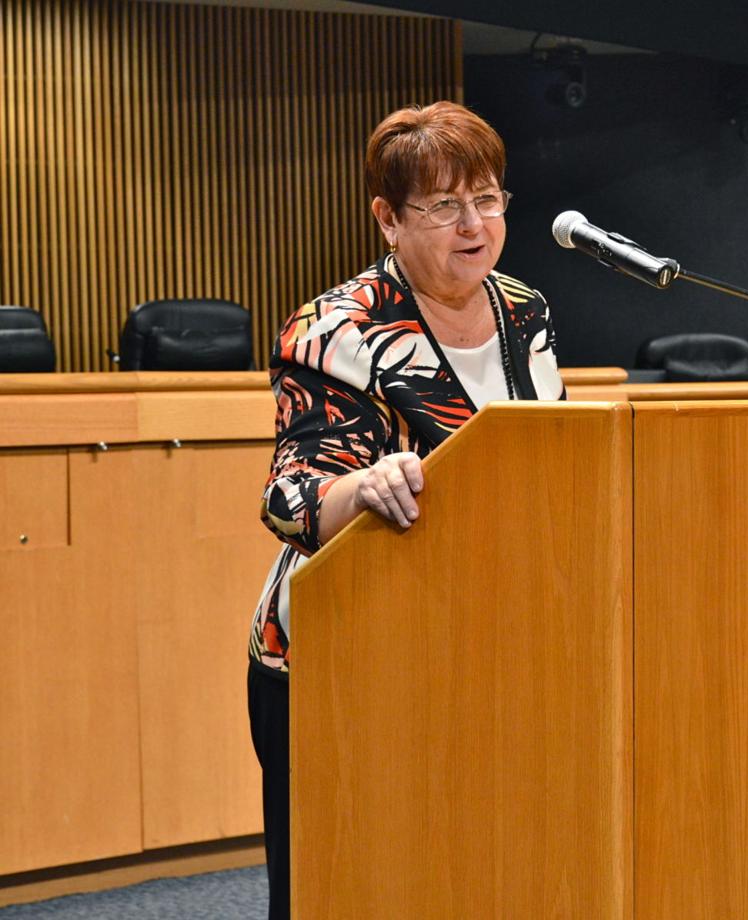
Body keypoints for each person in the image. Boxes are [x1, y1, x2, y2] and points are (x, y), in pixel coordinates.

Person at [246, 100, 564, 920]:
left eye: (488, 199)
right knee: (339, 887)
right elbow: (292, 497)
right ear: (388, 218)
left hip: (488, 649)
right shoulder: (333, 329)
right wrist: (365, 486)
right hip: (344, 653)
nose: (474, 224)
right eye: (444, 204)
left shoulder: (521, 309)